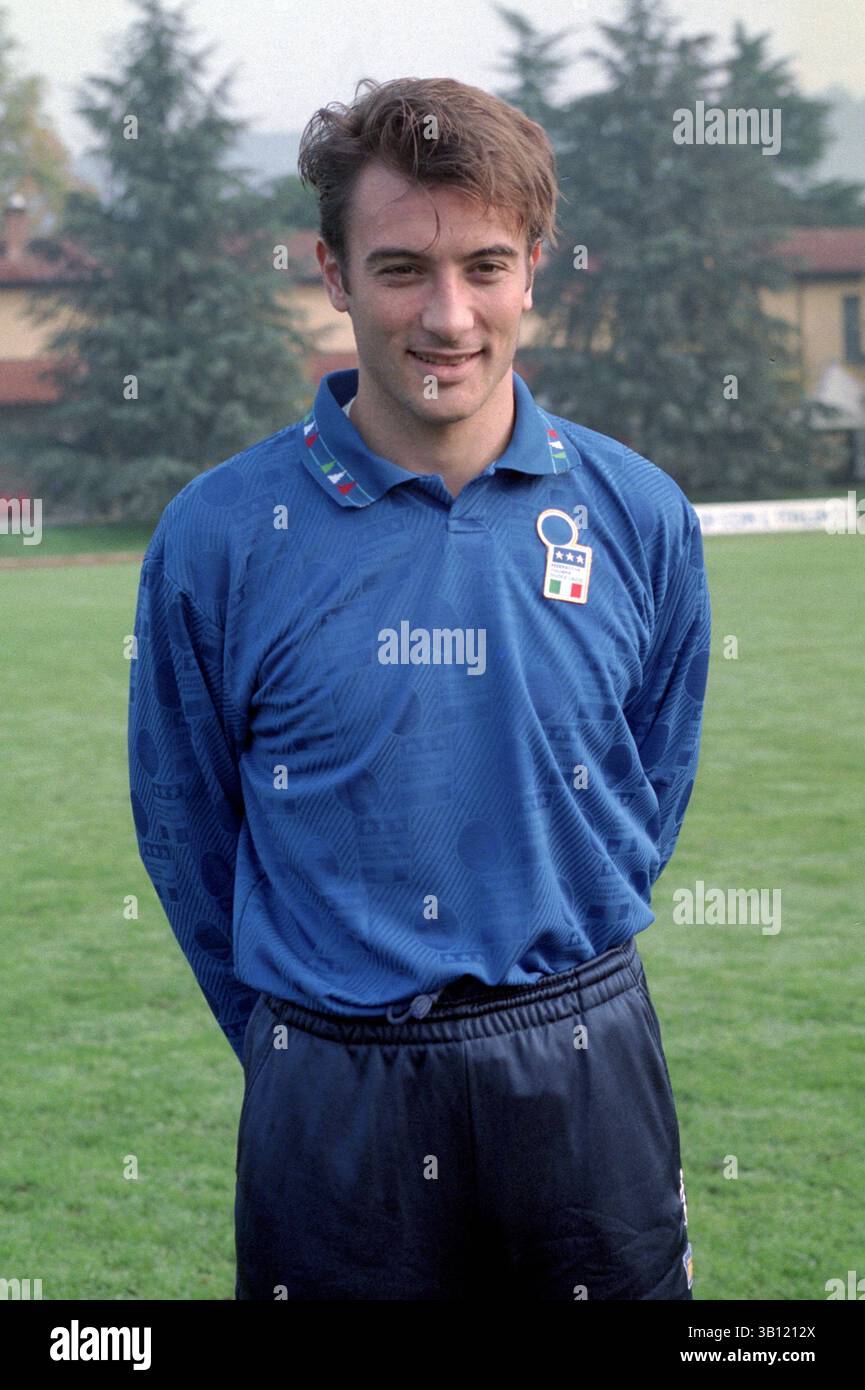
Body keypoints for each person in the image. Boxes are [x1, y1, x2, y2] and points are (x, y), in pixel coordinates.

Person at [128, 75, 711, 1301]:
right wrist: (302, 1044)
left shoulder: (639, 515)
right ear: (333, 273)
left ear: (535, 266)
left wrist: (544, 954)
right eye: (400, 269)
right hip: (333, 1098)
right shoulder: (220, 535)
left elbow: (644, 790)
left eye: (486, 266)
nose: (448, 316)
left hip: (582, 1068)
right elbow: (187, 826)